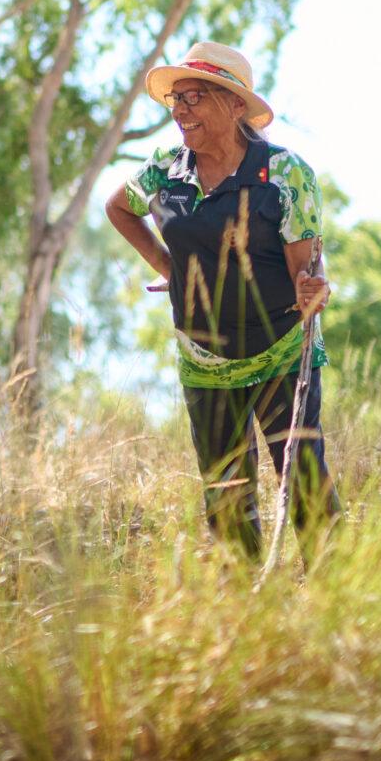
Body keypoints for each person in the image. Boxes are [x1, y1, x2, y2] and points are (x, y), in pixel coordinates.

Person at [105, 41, 335, 556]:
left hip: (280, 349)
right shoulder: (166, 169)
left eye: (195, 97)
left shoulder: (284, 173)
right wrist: (172, 267)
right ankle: (244, 617)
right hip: (204, 357)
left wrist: (313, 287)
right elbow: (119, 208)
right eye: (176, 100)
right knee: (227, 499)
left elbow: (307, 269)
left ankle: (334, 604)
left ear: (235, 106)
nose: (181, 111)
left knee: (303, 482)